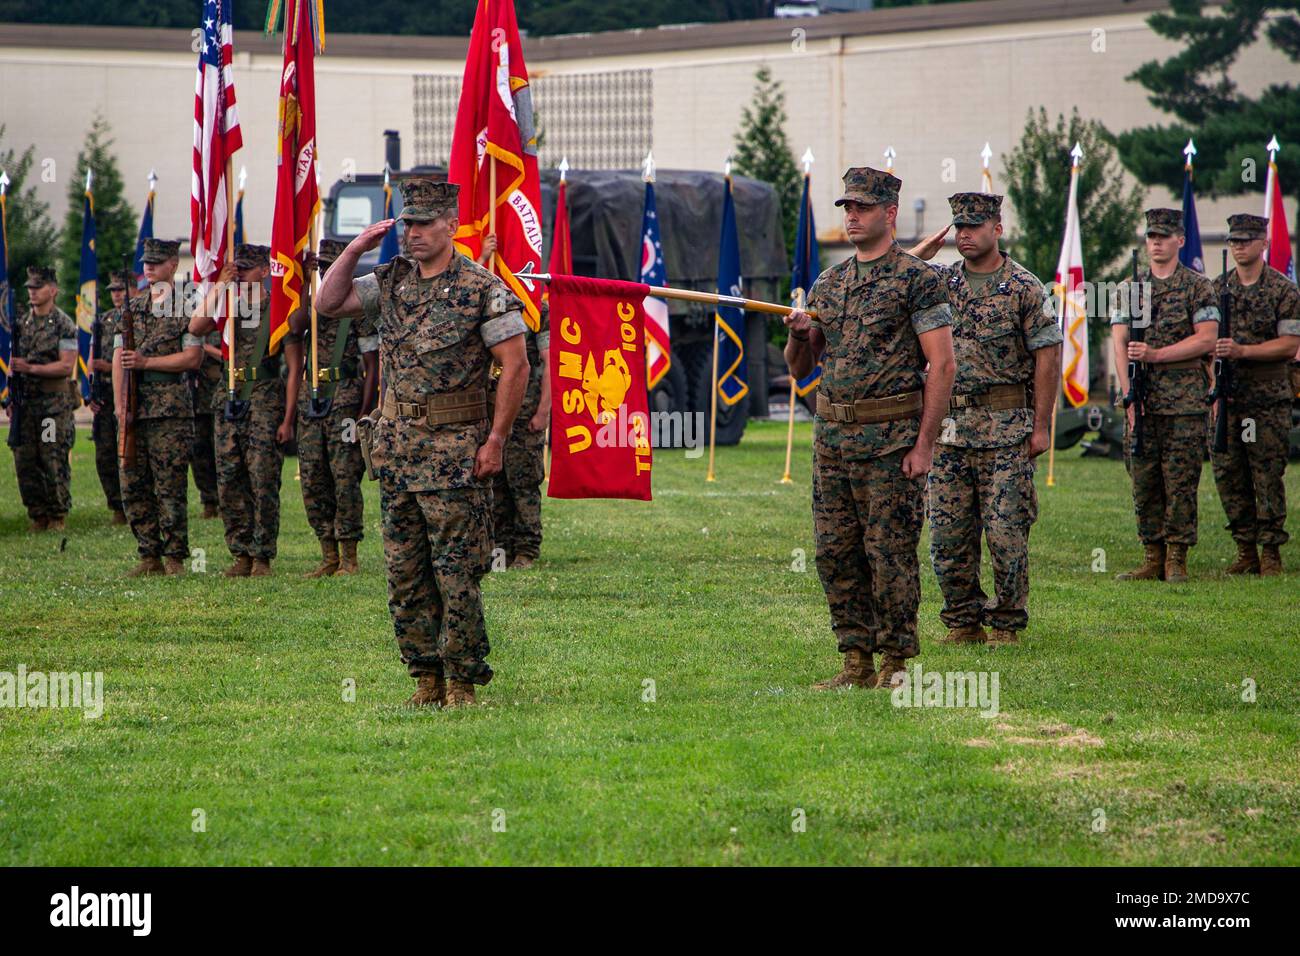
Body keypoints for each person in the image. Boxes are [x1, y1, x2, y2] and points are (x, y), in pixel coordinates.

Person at [315, 178, 529, 709]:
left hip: (456, 453)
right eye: (406, 223)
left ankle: (460, 679)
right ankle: (424, 677)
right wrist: (357, 249)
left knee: (456, 571)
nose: (411, 233)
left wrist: (497, 439)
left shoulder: (483, 288)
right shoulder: (391, 282)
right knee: (404, 572)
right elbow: (328, 302)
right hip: (396, 451)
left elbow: (516, 365)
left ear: (451, 226)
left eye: (423, 224)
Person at [784, 166, 956, 691]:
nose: (851, 216)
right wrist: (797, 333)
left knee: (890, 554)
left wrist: (925, 446)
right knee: (836, 553)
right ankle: (855, 659)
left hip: (890, 443)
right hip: (833, 442)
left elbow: (943, 365)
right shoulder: (830, 283)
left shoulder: (918, 279)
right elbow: (800, 367)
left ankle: (896, 664)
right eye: (846, 208)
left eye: (860, 207)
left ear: (889, 213)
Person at [917, 192, 1061, 645]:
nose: (964, 234)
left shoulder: (1024, 286)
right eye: (958, 227)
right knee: (948, 533)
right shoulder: (940, 283)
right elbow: (893, 274)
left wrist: (1041, 426)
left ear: (996, 229)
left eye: (973, 227)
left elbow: (1048, 355)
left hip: (1006, 429)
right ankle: (962, 621)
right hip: (950, 431)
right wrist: (925, 248)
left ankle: (1005, 623)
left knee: (1006, 530)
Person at [1111, 209, 1218, 583]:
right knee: (1143, 478)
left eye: (1163, 236)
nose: (1155, 242)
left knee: (1181, 478)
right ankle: (1152, 555)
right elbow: (1119, 341)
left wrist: (1156, 355)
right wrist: (1127, 395)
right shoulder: (1130, 288)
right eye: (1151, 236)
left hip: (1184, 398)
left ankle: (1177, 557)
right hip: (1142, 397)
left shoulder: (1198, 286)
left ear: (1180, 241)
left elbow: (1206, 338)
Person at [189, 244, 296, 577]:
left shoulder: (278, 311)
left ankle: (262, 555)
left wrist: (288, 418)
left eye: (247, 269)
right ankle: (241, 553)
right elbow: (195, 326)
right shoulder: (228, 308)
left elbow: (294, 368)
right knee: (230, 479)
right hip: (228, 397)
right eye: (238, 269)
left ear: (265, 271)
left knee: (262, 479)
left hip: (264, 399)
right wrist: (220, 283)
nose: (241, 275)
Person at [1210, 213, 1300, 575]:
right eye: (1233, 241)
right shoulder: (1217, 289)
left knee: (1266, 473)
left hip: (1267, 396)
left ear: (1264, 243)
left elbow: (1290, 344)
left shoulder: (1284, 290)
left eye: (1246, 240)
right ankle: (1245, 548)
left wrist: (1243, 351)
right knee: (1229, 473)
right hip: (1228, 394)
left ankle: (1271, 550)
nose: (1238, 246)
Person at [286, 238, 379, 577]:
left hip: (346, 400)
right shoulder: (313, 306)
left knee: (344, 480)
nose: (326, 272)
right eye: (322, 267)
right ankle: (327, 554)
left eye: (331, 265)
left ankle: (349, 557)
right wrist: (304, 283)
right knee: (313, 478)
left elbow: (373, 365)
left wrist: (364, 412)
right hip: (312, 400)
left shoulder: (358, 308)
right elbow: (294, 327)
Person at [113, 239, 204, 575]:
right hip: (135, 408)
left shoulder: (187, 307)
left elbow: (192, 358)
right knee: (133, 483)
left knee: (170, 484)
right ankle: (148, 555)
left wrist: (147, 360)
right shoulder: (131, 310)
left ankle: (175, 557)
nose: (149, 268)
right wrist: (120, 405)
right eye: (146, 262)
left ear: (172, 265)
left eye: (156, 262)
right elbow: (118, 360)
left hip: (170, 410)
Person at [479, 233, 550, 569]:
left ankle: (526, 549)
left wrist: (543, 410)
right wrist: (482, 257)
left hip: (524, 412)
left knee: (523, 482)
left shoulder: (538, 307)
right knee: (494, 484)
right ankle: (499, 549)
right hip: (487, 410)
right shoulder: (485, 300)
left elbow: (551, 361)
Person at [7, 266, 77, 532]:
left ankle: (57, 513)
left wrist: (30, 368)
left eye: (38, 287)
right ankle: (37, 513)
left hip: (51, 407)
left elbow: (65, 366)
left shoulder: (63, 325)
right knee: (25, 459)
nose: (32, 292)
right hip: (26, 405)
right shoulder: (20, 324)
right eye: (30, 288)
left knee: (51, 456)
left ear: (53, 290)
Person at [90, 270, 128, 524]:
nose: (116, 294)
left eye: (120, 289)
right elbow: (92, 358)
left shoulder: (135, 317)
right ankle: (116, 505)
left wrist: (107, 366)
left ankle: (132, 502)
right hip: (103, 391)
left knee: (126, 449)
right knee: (105, 452)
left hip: (127, 388)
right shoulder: (102, 321)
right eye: (112, 291)